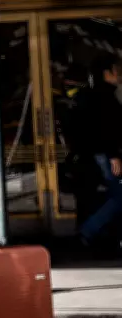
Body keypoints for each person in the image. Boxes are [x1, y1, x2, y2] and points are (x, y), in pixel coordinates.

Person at [68, 53, 122, 248]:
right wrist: (114, 155)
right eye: (116, 70)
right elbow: (106, 129)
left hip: (99, 155)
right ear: (106, 73)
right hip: (106, 156)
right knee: (119, 196)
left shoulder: (95, 95)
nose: (119, 74)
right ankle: (88, 230)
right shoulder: (104, 97)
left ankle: (96, 231)